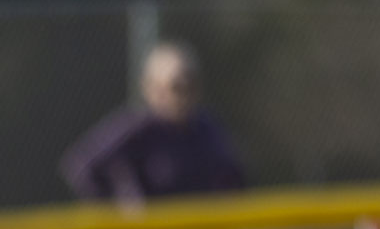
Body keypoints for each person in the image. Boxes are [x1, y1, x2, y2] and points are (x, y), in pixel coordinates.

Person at [60, 41, 245, 205]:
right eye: (177, 87)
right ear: (152, 88)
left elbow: (232, 177)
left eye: (191, 84)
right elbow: (80, 165)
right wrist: (116, 210)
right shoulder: (134, 129)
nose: (185, 95)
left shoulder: (206, 129)